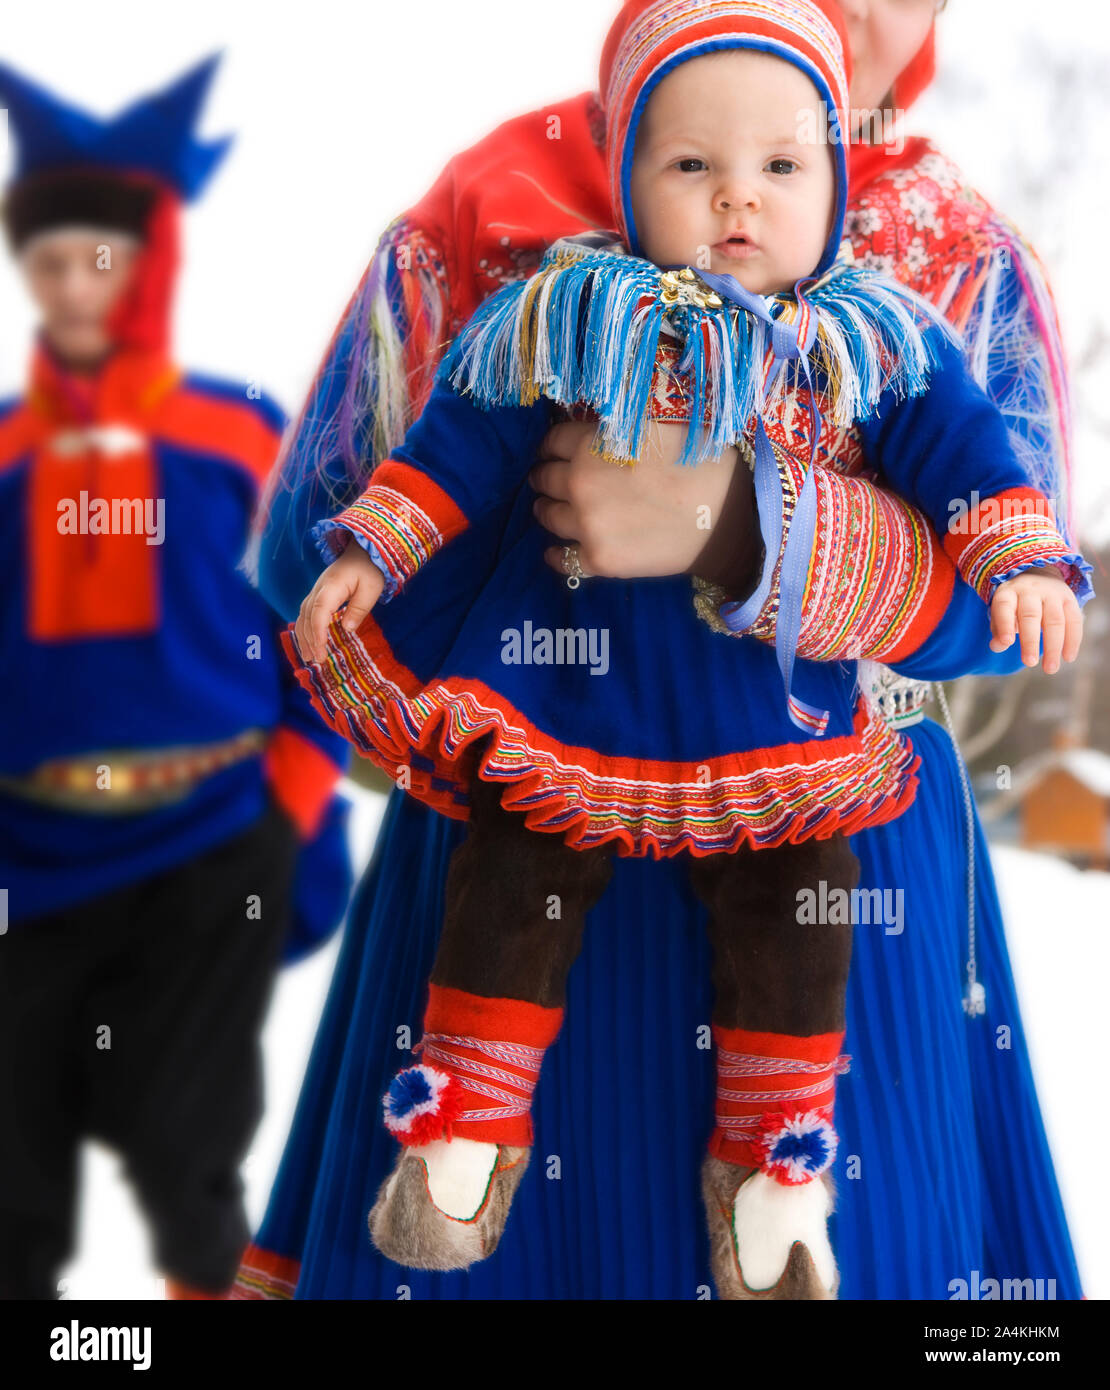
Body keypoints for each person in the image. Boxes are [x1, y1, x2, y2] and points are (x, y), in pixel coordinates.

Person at [232, 0, 1089, 1300]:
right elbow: (313, 555)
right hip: (514, 815)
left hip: (842, 854)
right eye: (688, 163)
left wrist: (749, 525)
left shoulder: (954, 256)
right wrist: (522, 546)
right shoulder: (489, 209)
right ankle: (470, 1126)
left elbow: (1020, 597)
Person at [0, 56, 352, 1301]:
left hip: (214, 835)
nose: (73, 284)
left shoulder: (240, 436)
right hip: (38, 852)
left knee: (184, 1136)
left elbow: (312, 625)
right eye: (47, 260)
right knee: (13, 1151)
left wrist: (289, 807)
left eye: (103, 257)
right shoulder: (3, 453)